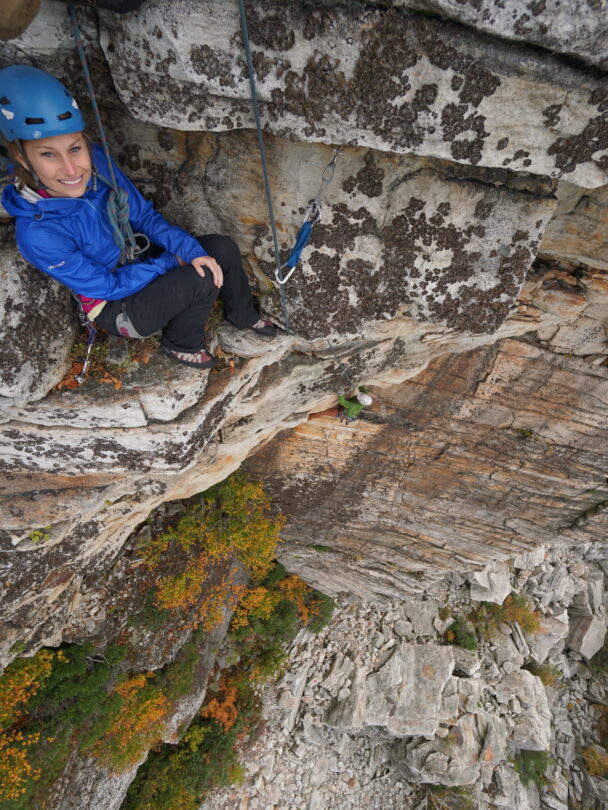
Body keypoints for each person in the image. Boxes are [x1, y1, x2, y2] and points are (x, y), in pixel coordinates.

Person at [0, 64, 276, 370]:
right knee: (203, 278)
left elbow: (143, 216)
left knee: (220, 248)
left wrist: (187, 251)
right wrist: (172, 262)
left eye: (75, 149)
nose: (70, 168)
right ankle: (181, 342)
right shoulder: (38, 233)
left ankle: (243, 315)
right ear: (22, 157)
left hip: (136, 256)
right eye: (48, 154)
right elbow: (107, 286)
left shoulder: (97, 163)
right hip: (116, 305)